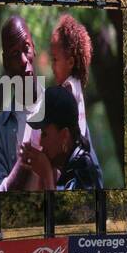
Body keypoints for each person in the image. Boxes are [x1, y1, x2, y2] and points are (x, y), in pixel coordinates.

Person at [0, 16, 42, 192]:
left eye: (26, 48)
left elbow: (89, 173)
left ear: (34, 49)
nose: (24, 60)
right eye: (15, 54)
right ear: (6, 63)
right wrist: (23, 165)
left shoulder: (62, 108)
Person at [23, 85, 103, 190]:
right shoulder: (70, 167)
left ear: (64, 136)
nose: (41, 143)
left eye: (44, 134)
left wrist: (47, 176)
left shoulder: (83, 173)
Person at [49, 12, 100, 174]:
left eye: (55, 60)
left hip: (80, 164)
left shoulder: (69, 86)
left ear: (70, 62)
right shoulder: (75, 83)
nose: (52, 66)